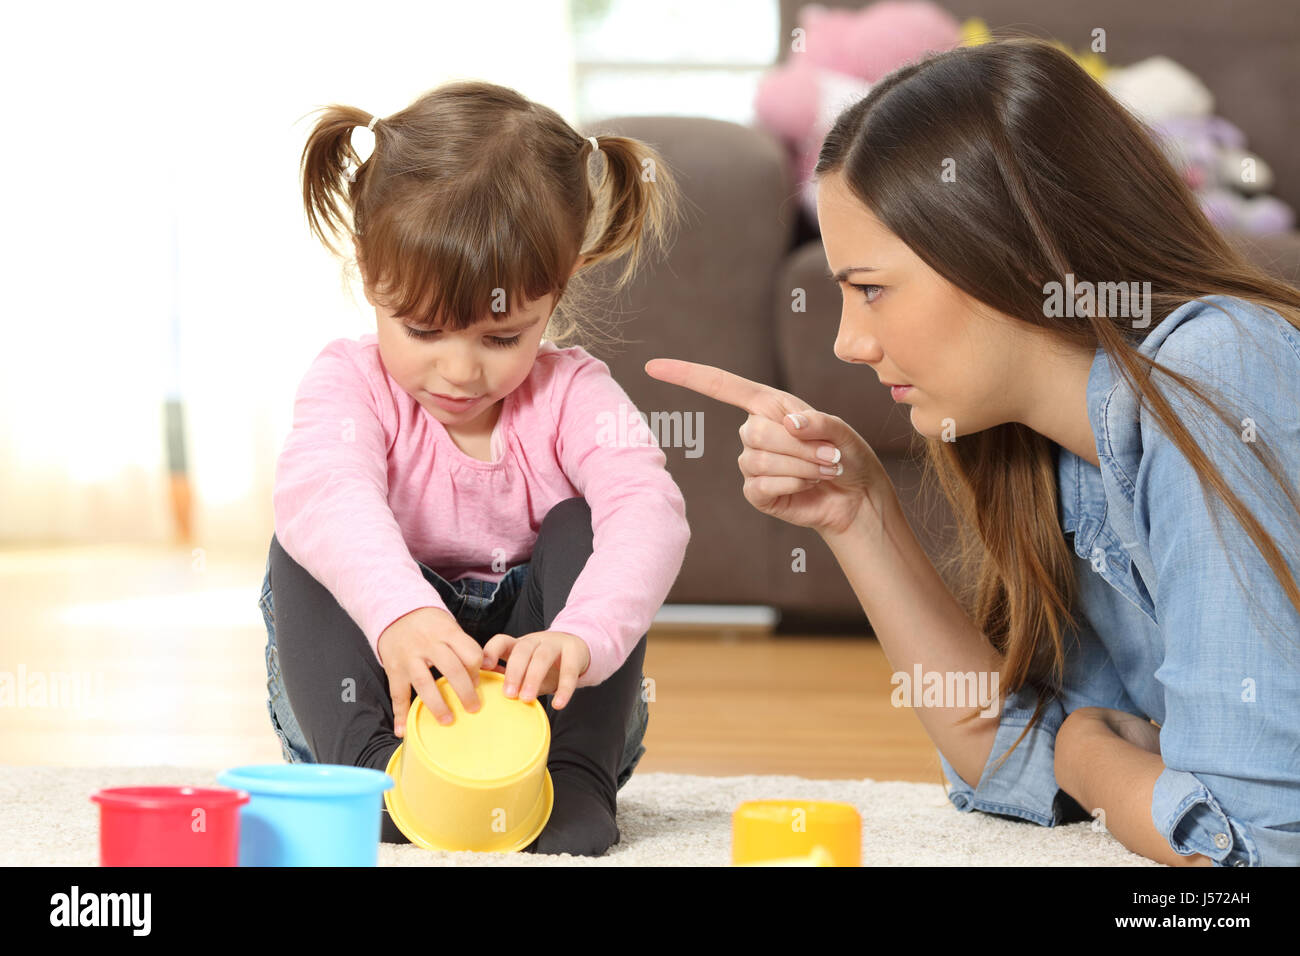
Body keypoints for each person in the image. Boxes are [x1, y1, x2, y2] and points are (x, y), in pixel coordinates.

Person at [647, 37, 1300, 867]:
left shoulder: (1216, 376)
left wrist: (1091, 756)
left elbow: (1247, 843)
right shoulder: (1059, 454)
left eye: (871, 289)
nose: (848, 342)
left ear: (1009, 250)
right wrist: (857, 513)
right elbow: (1014, 768)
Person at [257, 80, 690, 856]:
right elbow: (327, 490)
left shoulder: (574, 394)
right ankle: (372, 780)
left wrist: (584, 638)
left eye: (500, 338)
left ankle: (575, 782)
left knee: (586, 522)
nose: (459, 372)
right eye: (423, 329)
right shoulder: (349, 383)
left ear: (557, 290)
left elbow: (649, 512)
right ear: (365, 269)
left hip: (542, 734)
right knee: (308, 527)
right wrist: (401, 615)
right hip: (383, 709)